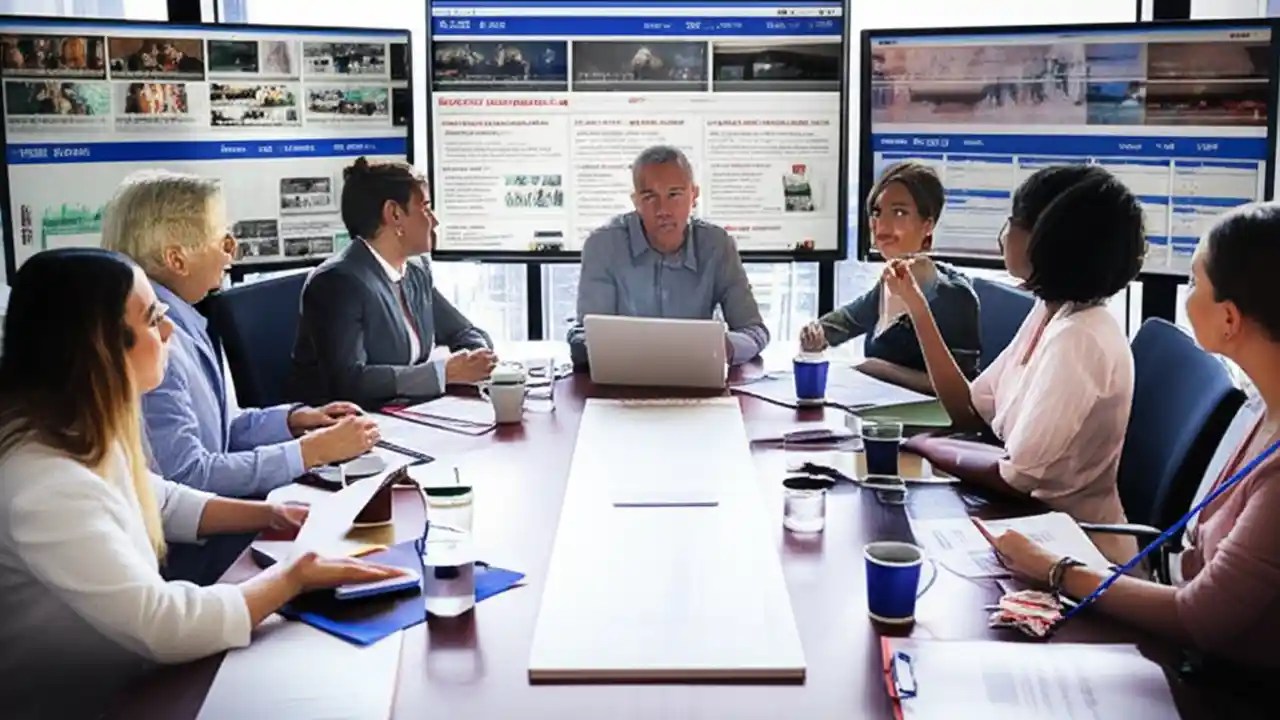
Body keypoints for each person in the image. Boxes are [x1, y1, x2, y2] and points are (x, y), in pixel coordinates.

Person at [0, 248, 403, 719]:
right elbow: (164, 624)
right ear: (98, 346)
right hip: (87, 703)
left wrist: (270, 514)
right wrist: (292, 577)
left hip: (129, 682)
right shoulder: (43, 484)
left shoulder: (71, 429)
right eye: (153, 320)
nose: (169, 330)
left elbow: (156, 496)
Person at [992, 202, 1280, 670]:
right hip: (1185, 627)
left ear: (1229, 319)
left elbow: (1197, 617)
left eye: (1193, 283)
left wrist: (1054, 569)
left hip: (1220, 684)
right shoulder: (1262, 410)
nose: (1186, 296)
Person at [887, 165, 1145, 564]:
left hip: (1074, 551)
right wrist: (920, 310)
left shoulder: (1080, 338)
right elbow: (971, 411)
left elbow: (1017, 478)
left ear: (1046, 241)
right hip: (1028, 528)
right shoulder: (1050, 310)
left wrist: (926, 445)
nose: (1004, 234)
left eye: (1013, 222)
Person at [101, 171, 381, 501]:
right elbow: (189, 476)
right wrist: (310, 452)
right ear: (177, 259)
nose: (233, 251)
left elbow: (222, 428)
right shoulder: (156, 345)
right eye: (224, 239)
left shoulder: (187, 317)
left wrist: (295, 421)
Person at [291, 157, 496, 409]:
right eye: (426, 208)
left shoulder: (415, 270)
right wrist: (445, 373)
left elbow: (465, 331)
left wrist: (477, 359)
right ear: (394, 214)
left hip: (406, 415)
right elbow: (349, 382)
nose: (434, 221)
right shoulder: (337, 283)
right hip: (348, 429)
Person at [567, 144, 769, 367]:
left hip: (697, 382)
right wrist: (591, 347)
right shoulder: (603, 245)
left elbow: (754, 331)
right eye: (650, 197)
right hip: (622, 384)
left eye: (674, 194)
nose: (663, 209)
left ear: (694, 195)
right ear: (636, 202)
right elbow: (587, 333)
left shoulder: (716, 245)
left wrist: (726, 347)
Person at [798, 161, 980, 393]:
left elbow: (964, 388)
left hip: (933, 423)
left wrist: (878, 369)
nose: (882, 224)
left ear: (928, 225)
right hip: (880, 412)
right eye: (877, 212)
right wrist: (817, 333)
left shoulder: (955, 295)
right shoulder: (891, 280)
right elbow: (846, 321)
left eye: (899, 212)